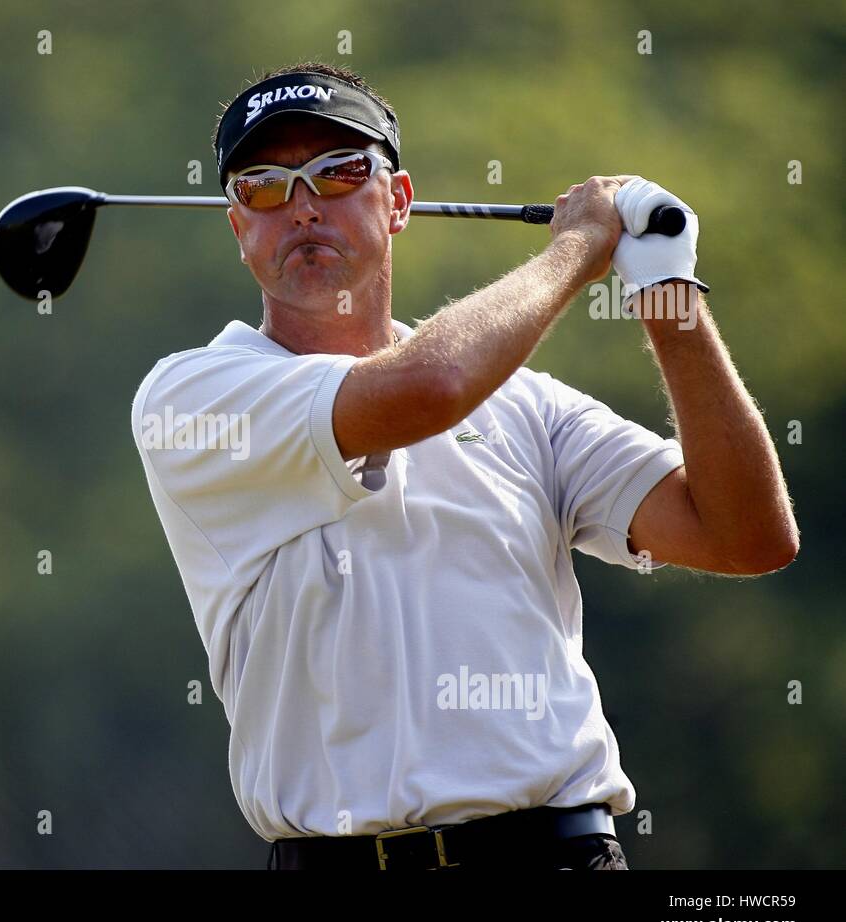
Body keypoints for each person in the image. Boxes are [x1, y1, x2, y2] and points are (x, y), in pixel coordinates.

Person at [129, 61, 799, 870]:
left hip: (558, 853)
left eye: (338, 173)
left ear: (399, 200)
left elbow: (747, 535)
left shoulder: (528, 406)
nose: (303, 206)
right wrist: (579, 249)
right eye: (265, 187)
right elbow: (431, 386)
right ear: (238, 227)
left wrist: (668, 297)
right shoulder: (194, 397)